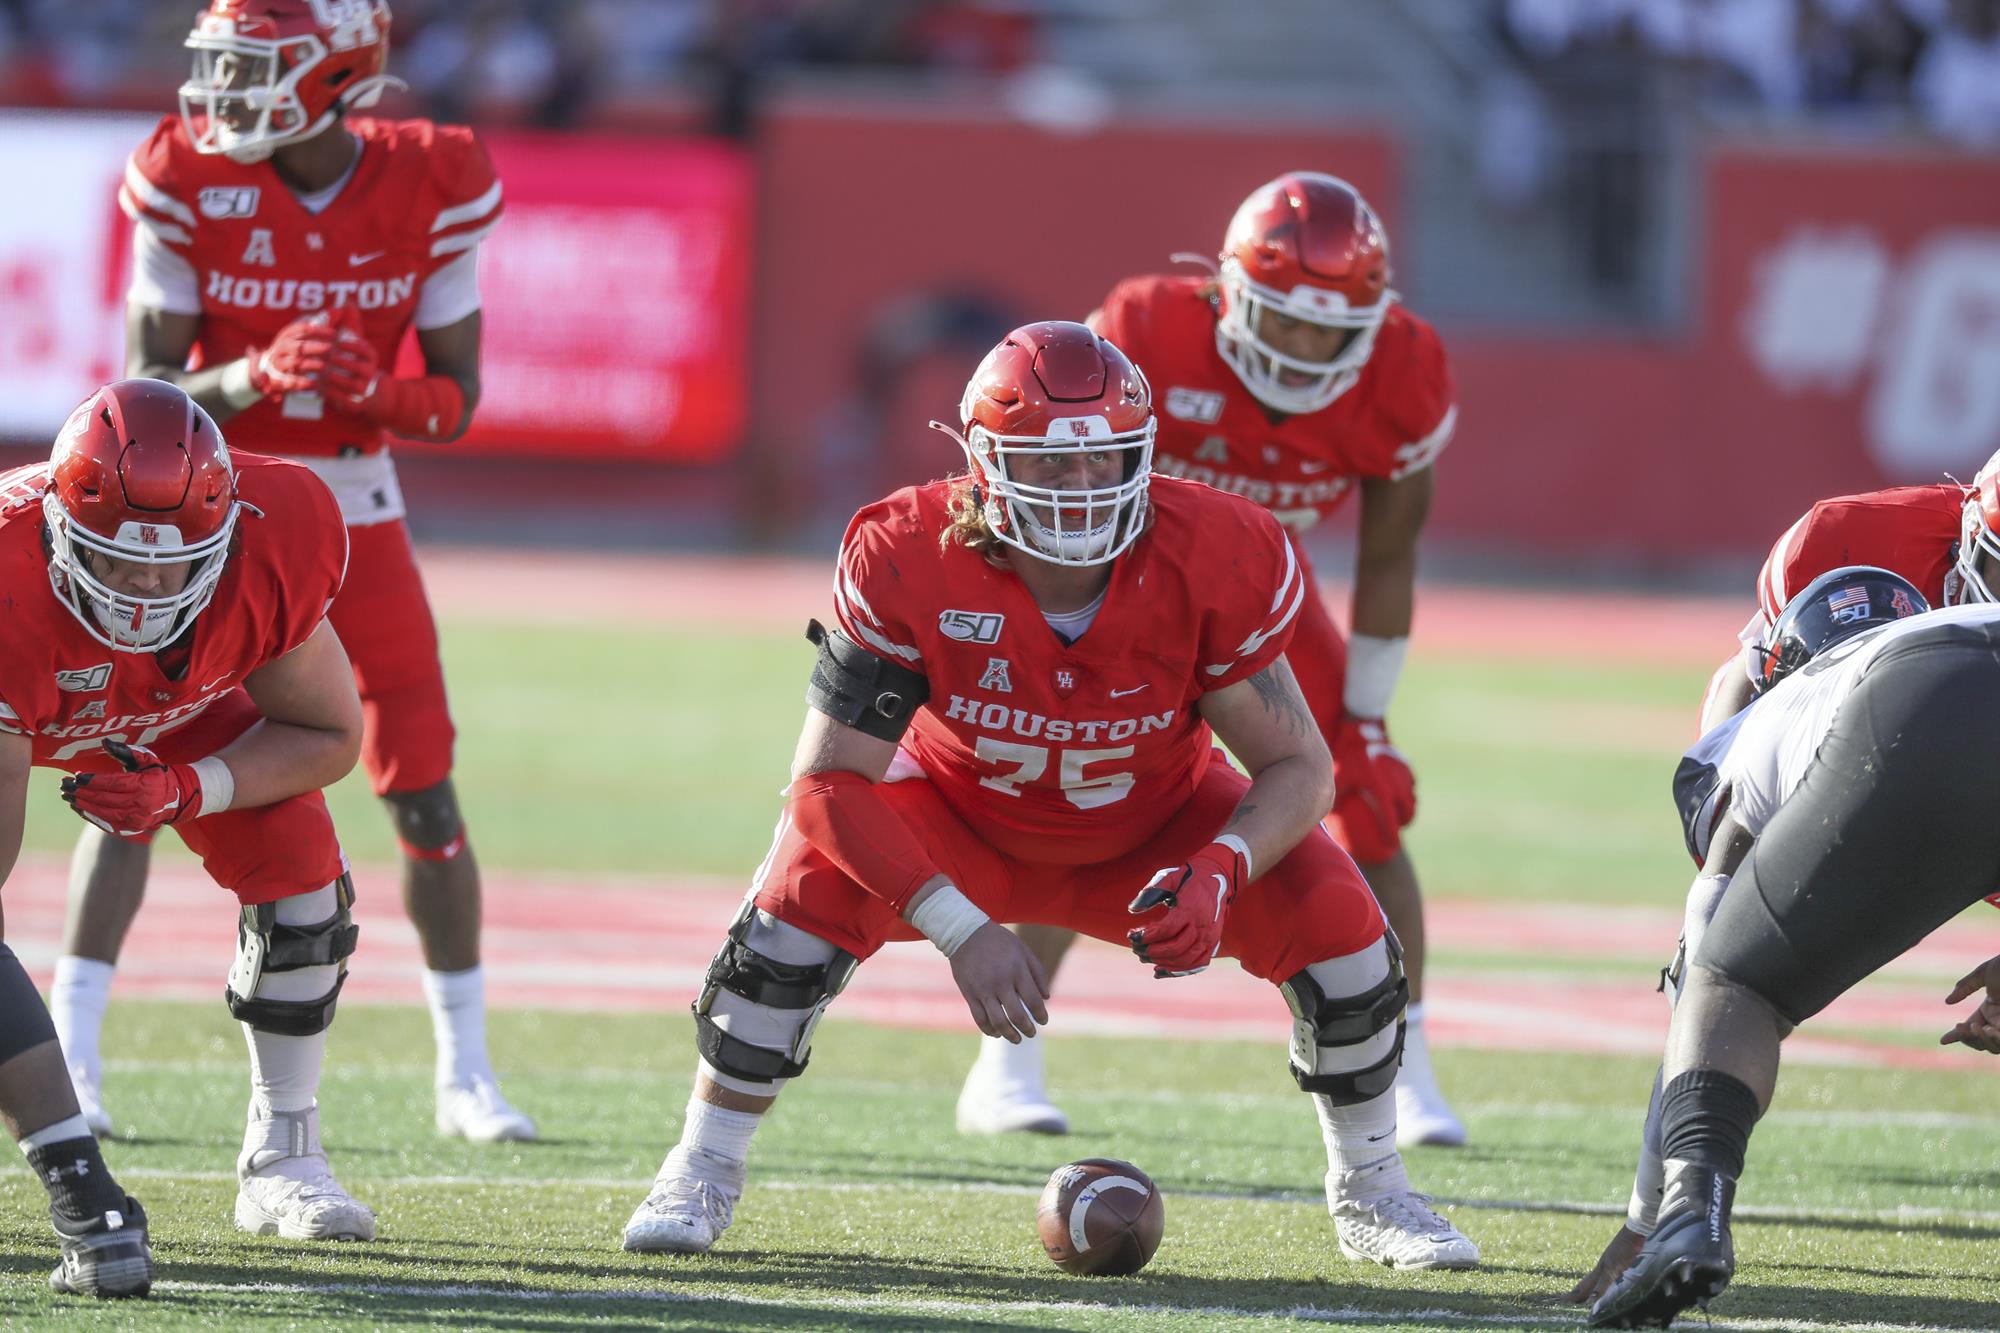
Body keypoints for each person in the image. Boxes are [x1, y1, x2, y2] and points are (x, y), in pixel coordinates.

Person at [620, 321, 1480, 1271]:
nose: (1079, 490)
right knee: (792, 904)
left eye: (1101, 460)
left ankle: (1375, 1193)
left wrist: (1221, 870)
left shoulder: (1211, 551)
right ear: (986, 462)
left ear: (1140, 454)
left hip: (1146, 835)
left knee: (1344, 927)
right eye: (1047, 464)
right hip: (960, 824)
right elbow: (827, 783)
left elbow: (1302, 770)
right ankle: (701, 1164)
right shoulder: (910, 549)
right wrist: (958, 925)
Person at [57, 0, 532, 1144]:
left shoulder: (436, 177)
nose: (221, 89)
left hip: (357, 510)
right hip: (200, 515)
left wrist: (372, 393)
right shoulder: (181, 172)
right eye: (217, 64)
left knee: (420, 784)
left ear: (340, 72)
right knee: (136, 765)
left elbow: (455, 400)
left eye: (252, 65)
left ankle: (464, 1067)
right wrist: (256, 375)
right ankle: (73, 1049)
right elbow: (146, 385)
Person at [956, 172, 1467, 1149]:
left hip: (1258, 596)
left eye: (1329, 329)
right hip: (1120, 588)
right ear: (1226, 293)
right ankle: (1003, 1063)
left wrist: (1363, 713)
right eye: (1284, 319)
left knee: (1357, 796)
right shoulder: (1145, 328)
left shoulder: (1402, 370)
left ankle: (1402, 1060)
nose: (1303, 348)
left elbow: (1388, 554)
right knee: (1079, 803)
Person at [1575, 579, 2000, 1328]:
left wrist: (1650, 1211)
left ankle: (1690, 1215)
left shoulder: (1771, 712)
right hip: (1937, 681)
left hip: (1921, 692)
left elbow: (1713, 929)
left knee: (1737, 982)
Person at [10, 378, 374, 1242]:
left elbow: (330, 732)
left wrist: (186, 787)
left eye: (169, 560)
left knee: (303, 866)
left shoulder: (274, 537)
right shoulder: (7, 580)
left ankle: (285, 1158)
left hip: (182, 699)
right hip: (23, 692)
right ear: (61, 530)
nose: (141, 587)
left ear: (223, 533)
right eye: (113, 556)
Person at [1692, 446, 2000, 734]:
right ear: (1972, 533)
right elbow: (1758, 665)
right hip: (1824, 721)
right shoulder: (1842, 538)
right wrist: (1713, 771)